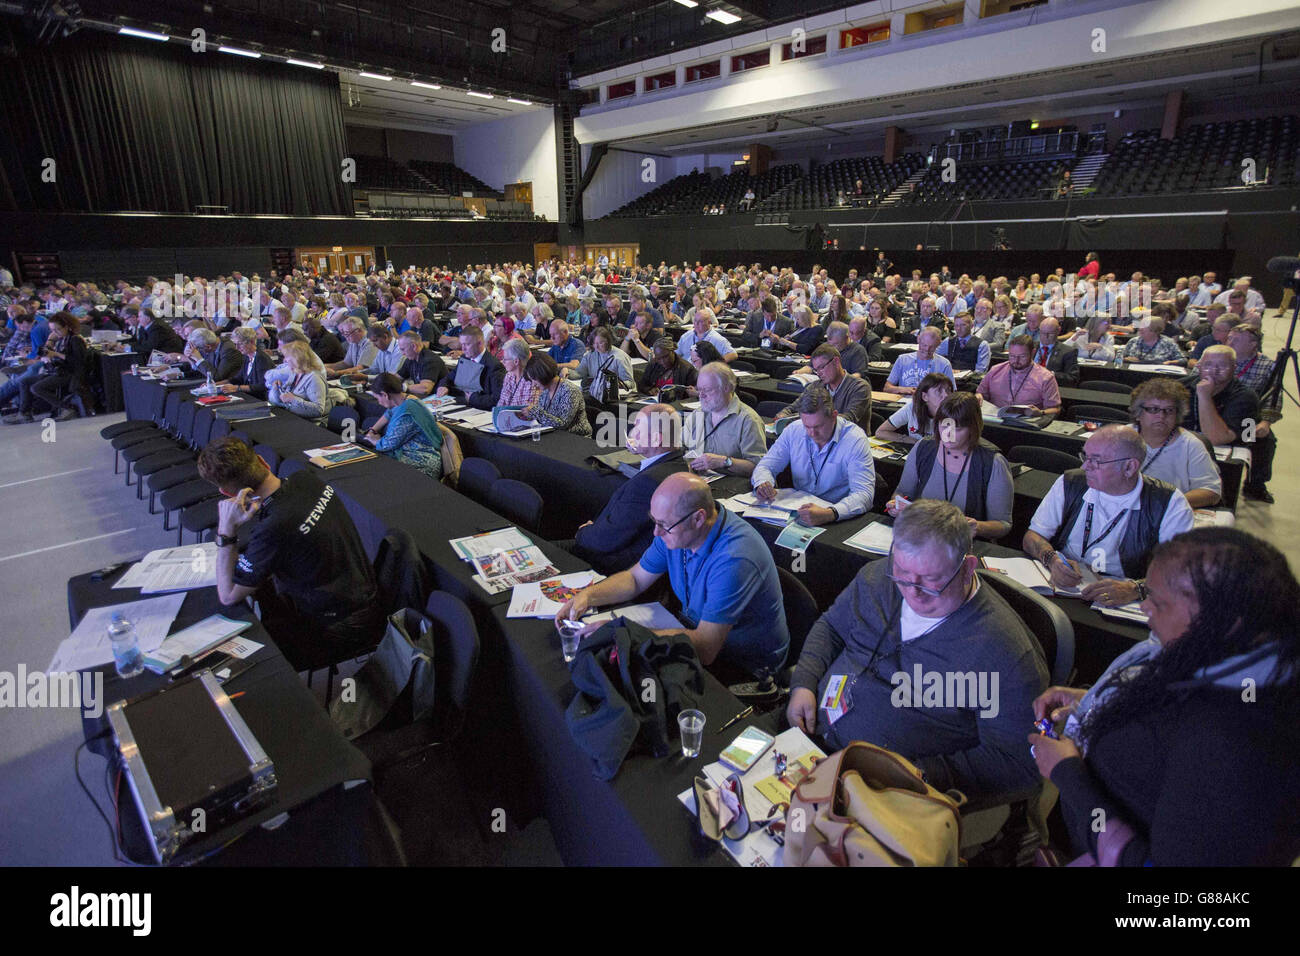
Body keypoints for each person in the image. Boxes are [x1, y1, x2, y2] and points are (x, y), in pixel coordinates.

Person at [1030, 528, 1300, 865]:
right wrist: (1094, 700)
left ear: (1225, 619)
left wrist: (1067, 774)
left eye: (1157, 601)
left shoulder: (1239, 746)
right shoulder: (1217, 652)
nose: (1144, 608)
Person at [786, 499, 1048, 803]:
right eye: (902, 575)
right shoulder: (879, 577)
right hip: (810, 740)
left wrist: (915, 775)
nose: (912, 593)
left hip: (891, 794)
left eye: (931, 582)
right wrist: (804, 682)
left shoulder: (1005, 654)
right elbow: (832, 627)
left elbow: (1017, 764)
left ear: (967, 568)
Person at [556, 472, 789, 680]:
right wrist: (588, 596)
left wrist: (623, 632)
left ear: (698, 518)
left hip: (744, 667)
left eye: (663, 525)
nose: (656, 532)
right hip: (697, 633)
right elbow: (635, 579)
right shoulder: (676, 529)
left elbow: (706, 649)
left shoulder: (735, 558)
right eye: (654, 521)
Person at [200, 436, 385, 666]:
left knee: (245, 660)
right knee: (264, 590)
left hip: (342, 626)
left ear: (228, 494)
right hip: (362, 596)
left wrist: (226, 532)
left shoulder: (274, 529)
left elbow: (227, 596)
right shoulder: (305, 479)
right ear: (262, 462)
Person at [1023, 425, 1194, 605]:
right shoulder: (1070, 482)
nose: (1084, 466)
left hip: (1121, 593)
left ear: (1129, 467)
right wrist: (1051, 558)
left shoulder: (1169, 502)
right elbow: (1032, 537)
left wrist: (1137, 589)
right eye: (1084, 457)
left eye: (1095, 461)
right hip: (1064, 585)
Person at [566, 404, 690, 574]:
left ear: (656, 439)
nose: (632, 434)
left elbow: (607, 539)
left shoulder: (648, 482)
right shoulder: (679, 464)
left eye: (638, 428)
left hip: (610, 564)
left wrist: (584, 533)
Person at [887, 392, 1014, 539]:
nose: (948, 434)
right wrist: (895, 505)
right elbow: (902, 492)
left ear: (974, 428)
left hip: (963, 543)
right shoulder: (923, 448)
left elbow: (1003, 524)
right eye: (943, 425)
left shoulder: (993, 463)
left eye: (957, 429)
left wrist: (978, 527)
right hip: (921, 536)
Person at [751, 384, 875, 526]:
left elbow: (864, 494)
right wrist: (763, 482)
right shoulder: (794, 429)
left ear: (834, 416)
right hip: (798, 509)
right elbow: (766, 466)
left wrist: (830, 513)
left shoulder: (855, 439)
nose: (812, 433)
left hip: (835, 515)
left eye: (818, 426)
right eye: (807, 426)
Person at [1182, 343, 1275, 503]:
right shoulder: (1182, 386)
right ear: (1199, 366)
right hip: (1187, 443)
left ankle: (1256, 485)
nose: (1214, 371)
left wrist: (1204, 396)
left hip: (1232, 443)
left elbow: (1217, 438)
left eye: (1222, 366)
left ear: (1234, 367)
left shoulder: (1246, 396)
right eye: (1208, 365)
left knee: (1266, 440)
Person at [1128, 378, 1221, 508]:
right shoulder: (1119, 437)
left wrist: (1166, 504)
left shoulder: (1191, 445)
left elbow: (1211, 492)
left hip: (1170, 513)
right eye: (1154, 409)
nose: (1161, 416)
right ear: (1138, 413)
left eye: (1169, 410)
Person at [682, 362, 767, 478]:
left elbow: (759, 468)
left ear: (727, 388)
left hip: (734, 486)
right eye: (699, 390)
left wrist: (724, 461)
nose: (701, 395)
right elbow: (681, 444)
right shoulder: (699, 413)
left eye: (707, 390)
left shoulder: (748, 420)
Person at [5, 312, 90, 423]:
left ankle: (66, 408)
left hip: (69, 373)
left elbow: (78, 361)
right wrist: (49, 342)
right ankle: (24, 413)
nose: (55, 333)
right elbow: (43, 352)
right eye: (52, 330)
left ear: (67, 326)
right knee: (24, 382)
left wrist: (56, 354)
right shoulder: (60, 339)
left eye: (57, 329)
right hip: (56, 370)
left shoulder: (75, 339)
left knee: (36, 388)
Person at [361, 373, 444, 479]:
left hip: (422, 463)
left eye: (378, 398)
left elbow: (387, 444)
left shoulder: (406, 414)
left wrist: (374, 440)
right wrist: (373, 430)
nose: (379, 403)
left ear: (385, 394)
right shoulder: (407, 400)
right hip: (414, 456)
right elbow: (389, 413)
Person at [775, 343, 871, 429]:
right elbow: (793, 408)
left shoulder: (859, 387)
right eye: (816, 370)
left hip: (850, 442)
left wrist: (813, 420)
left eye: (822, 367)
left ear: (836, 361)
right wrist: (783, 415)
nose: (819, 373)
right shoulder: (816, 386)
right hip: (819, 439)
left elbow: (848, 419)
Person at [977, 335, 1062, 415]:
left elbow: (1055, 409)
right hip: (994, 419)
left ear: (1033, 353)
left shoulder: (1046, 377)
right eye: (1012, 356)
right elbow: (980, 393)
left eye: (1022, 356)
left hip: (1025, 424)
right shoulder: (996, 370)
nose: (1016, 361)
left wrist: (1040, 412)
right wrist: (979, 396)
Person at [517, 351, 592, 436]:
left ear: (542, 374)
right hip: (556, 437)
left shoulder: (570, 391)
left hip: (578, 439)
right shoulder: (545, 392)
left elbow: (563, 424)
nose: (533, 384)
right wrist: (528, 415)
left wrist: (535, 412)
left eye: (534, 379)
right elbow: (545, 418)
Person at [435, 325, 505, 410]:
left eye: (467, 344)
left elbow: (497, 399)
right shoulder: (464, 358)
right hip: (461, 405)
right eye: (462, 344)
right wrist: (443, 386)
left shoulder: (494, 366)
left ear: (480, 343)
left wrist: (472, 399)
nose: (463, 349)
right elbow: (449, 377)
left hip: (480, 410)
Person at [875, 372, 953, 445]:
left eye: (948, 390)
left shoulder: (953, 413)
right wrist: (912, 441)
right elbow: (880, 432)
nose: (946, 395)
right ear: (925, 397)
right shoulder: (912, 407)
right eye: (939, 391)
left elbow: (951, 447)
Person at [268, 340, 331, 419]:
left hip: (310, 424)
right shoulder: (295, 373)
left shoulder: (314, 378)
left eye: (287, 357)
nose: (285, 360)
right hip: (292, 417)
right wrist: (276, 388)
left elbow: (318, 410)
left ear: (297, 358)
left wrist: (293, 399)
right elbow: (281, 402)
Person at [883, 326, 955, 395]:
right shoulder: (902, 359)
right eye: (924, 345)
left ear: (938, 344)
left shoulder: (944, 364)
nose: (927, 349)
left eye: (932, 347)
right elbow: (887, 388)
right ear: (918, 340)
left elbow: (951, 392)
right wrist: (903, 390)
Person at [577, 325, 634, 401]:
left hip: (617, 398)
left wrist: (615, 384)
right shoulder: (590, 355)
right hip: (596, 394)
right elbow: (579, 373)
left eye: (600, 343)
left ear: (608, 341)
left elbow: (630, 383)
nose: (596, 347)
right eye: (594, 343)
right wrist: (567, 371)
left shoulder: (620, 357)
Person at [219, 327, 276, 399]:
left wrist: (237, 388)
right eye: (235, 344)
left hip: (259, 399)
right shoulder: (246, 357)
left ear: (251, 342)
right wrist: (216, 384)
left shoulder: (261, 359)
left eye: (240, 344)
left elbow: (262, 386)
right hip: (249, 396)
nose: (237, 348)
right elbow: (238, 378)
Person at [1032, 318, 1079, 385]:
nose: (1046, 336)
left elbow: (1072, 378)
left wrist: (1051, 374)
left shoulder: (1068, 352)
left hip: (1052, 387)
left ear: (1058, 331)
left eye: (1050, 333)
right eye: (1042, 333)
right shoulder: (1029, 347)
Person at [498, 336, 541, 408]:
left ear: (516, 361)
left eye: (505, 359)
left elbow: (528, 411)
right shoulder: (509, 376)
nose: (502, 362)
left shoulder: (532, 380)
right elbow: (502, 404)